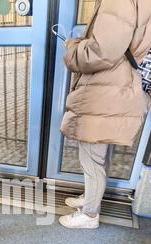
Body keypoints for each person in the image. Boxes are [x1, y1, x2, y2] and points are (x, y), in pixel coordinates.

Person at [59, 0, 151, 229]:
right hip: (121, 85)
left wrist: (73, 48)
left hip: (108, 85)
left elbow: (101, 51)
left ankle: (89, 214)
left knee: (91, 155)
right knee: (100, 152)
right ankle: (91, 198)